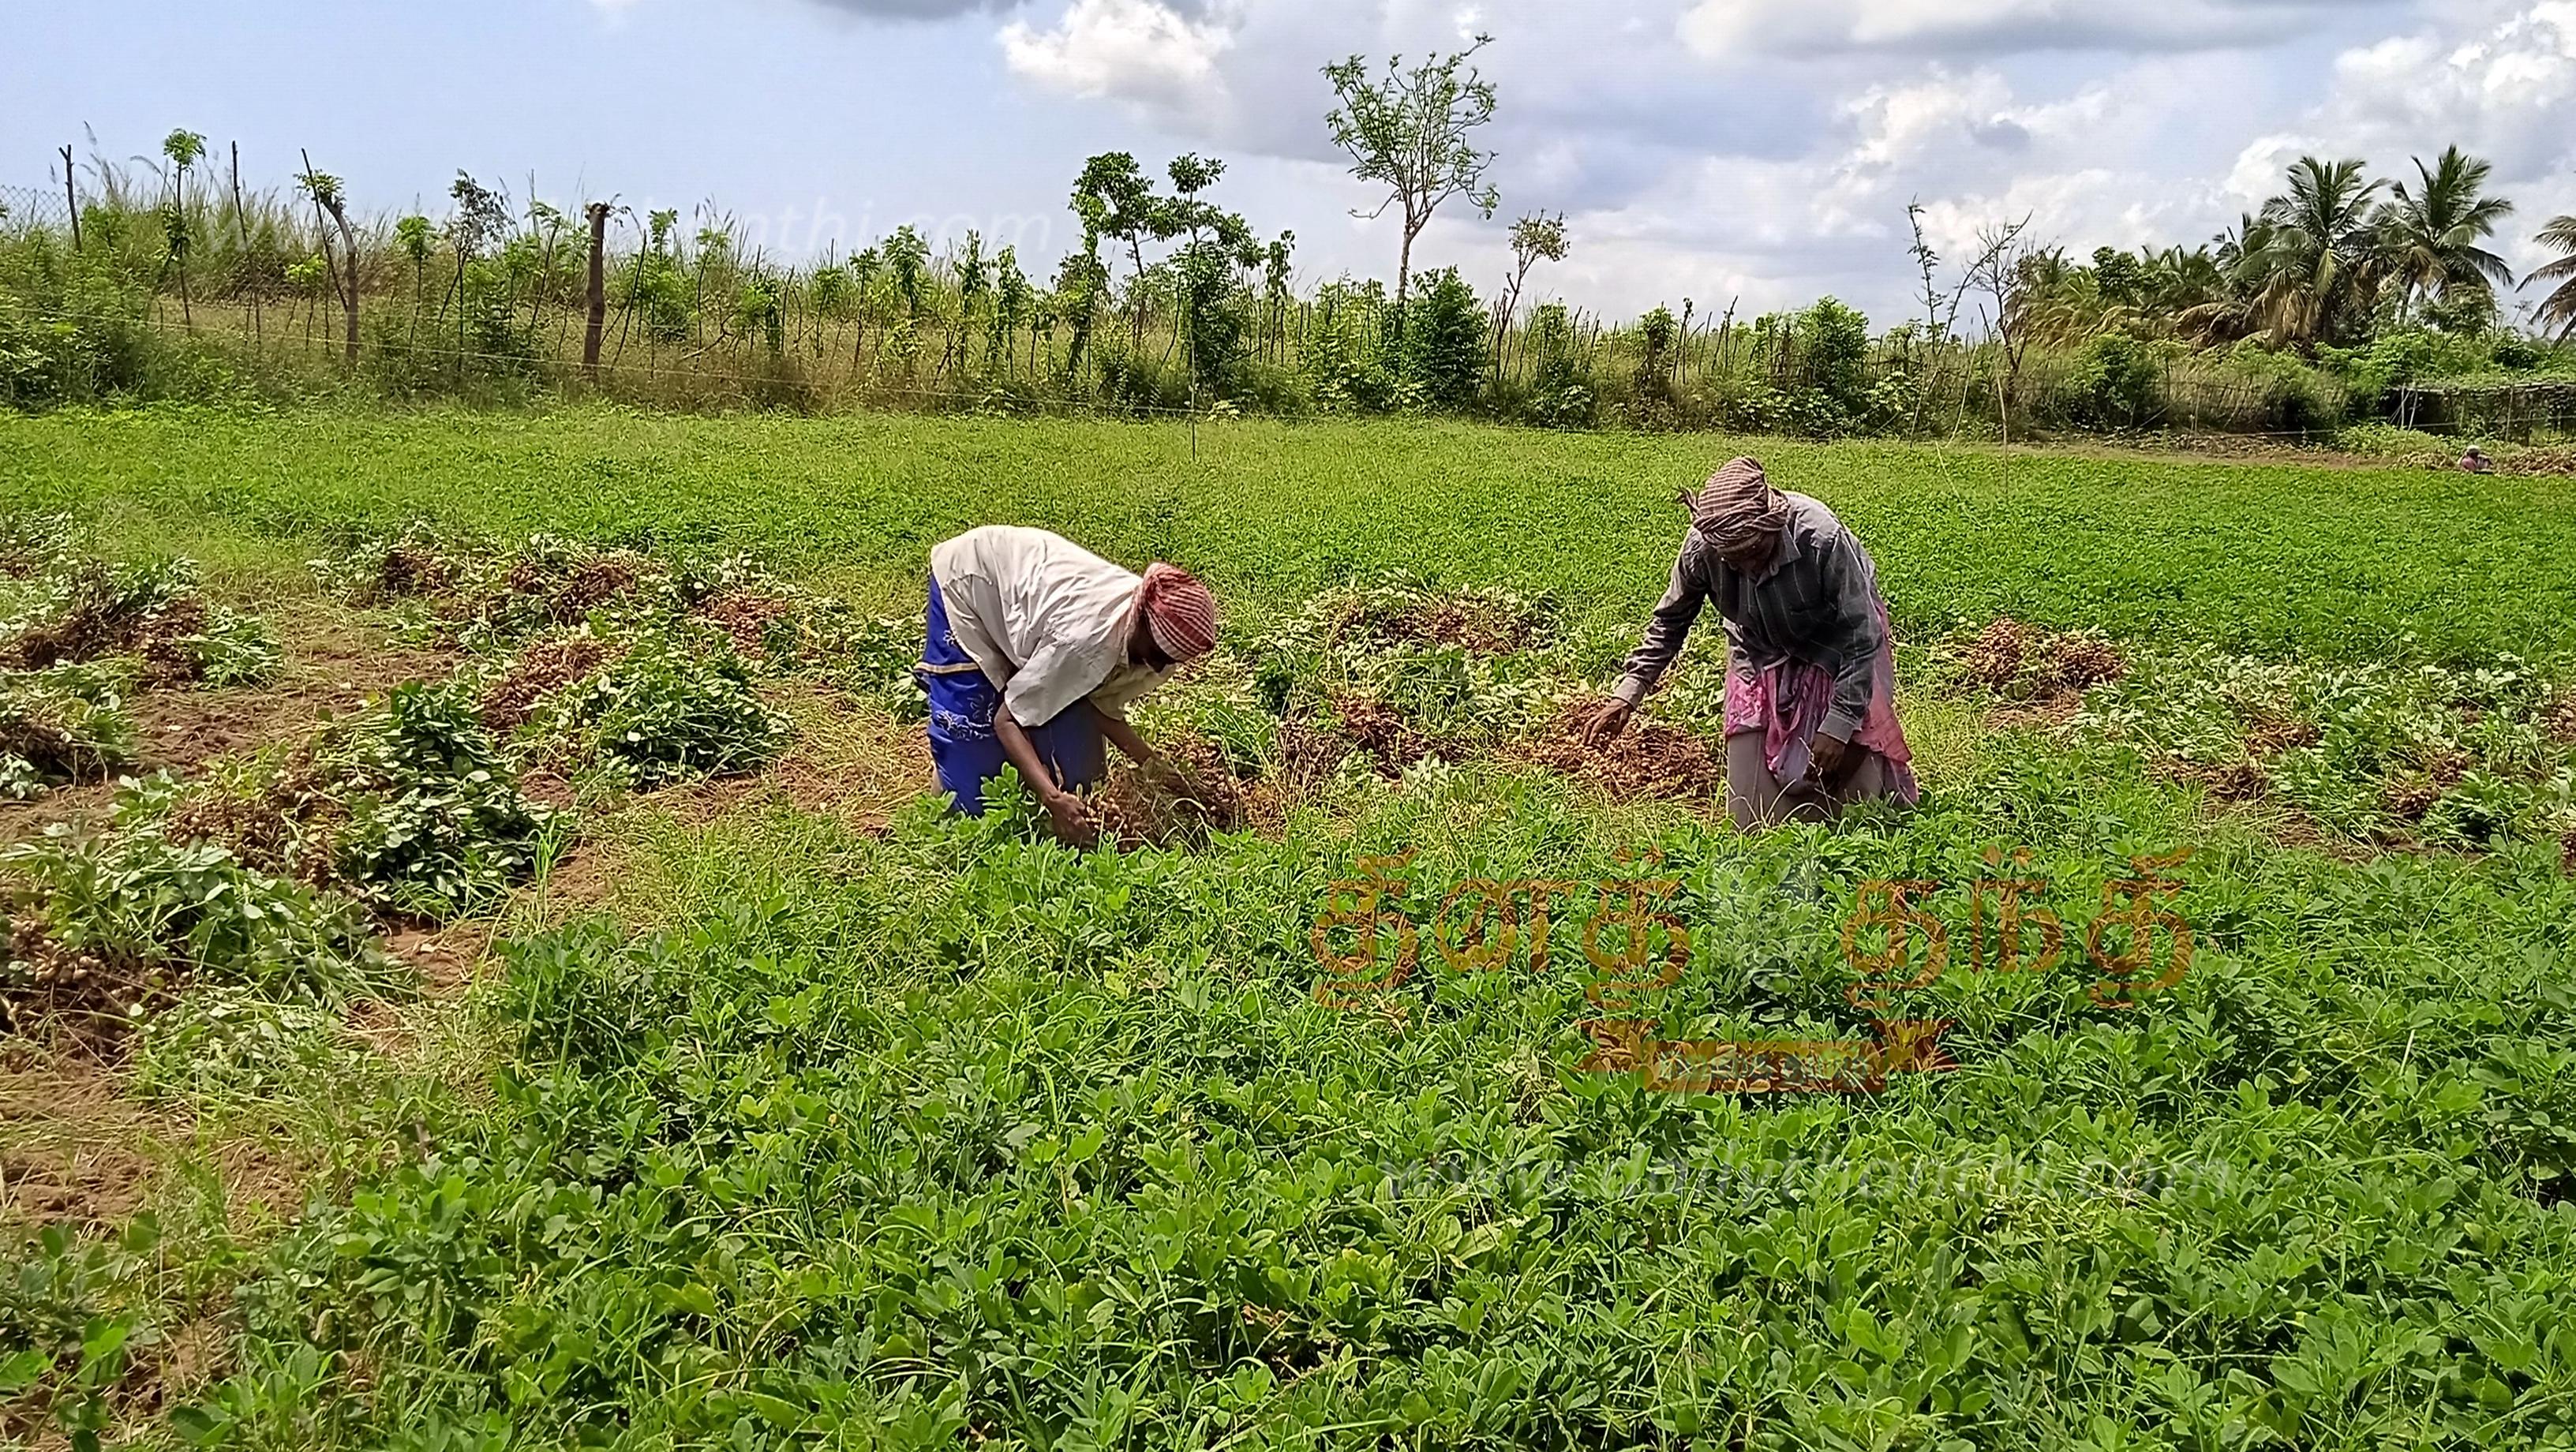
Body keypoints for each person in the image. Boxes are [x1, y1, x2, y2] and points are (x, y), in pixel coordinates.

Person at [1584, 456, 1919, 829]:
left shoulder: (1821, 538)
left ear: (1772, 525)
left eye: (1756, 553)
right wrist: (1628, 693)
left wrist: (1838, 725)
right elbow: (1670, 621)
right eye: (1734, 560)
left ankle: (1853, 819)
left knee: (1849, 781)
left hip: (1836, 644)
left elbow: (1861, 634)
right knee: (1749, 812)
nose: (1748, 569)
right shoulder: (1702, 549)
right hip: (1758, 647)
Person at [922, 525, 1219, 845]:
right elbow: (1006, 721)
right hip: (972, 580)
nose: (1158, 667)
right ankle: (948, 784)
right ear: (1139, 622)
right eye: (1157, 655)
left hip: (1030, 597)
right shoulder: (1083, 646)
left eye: (1168, 661)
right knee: (974, 796)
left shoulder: (1154, 640)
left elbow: (1100, 707)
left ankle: (980, 761)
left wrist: (1156, 767)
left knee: (1082, 774)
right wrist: (1052, 798)